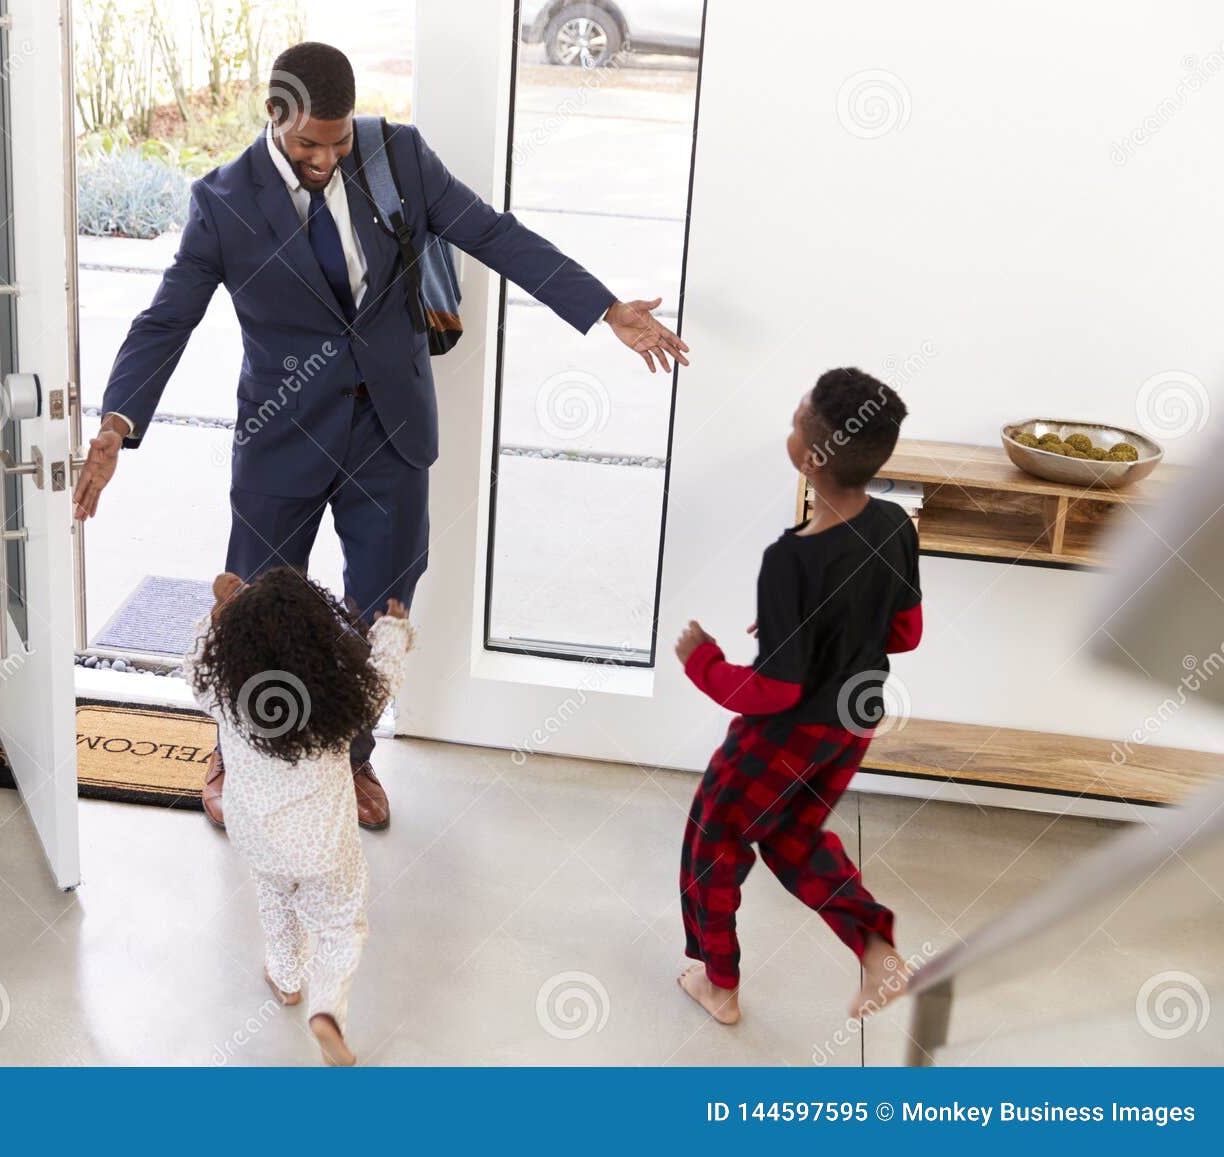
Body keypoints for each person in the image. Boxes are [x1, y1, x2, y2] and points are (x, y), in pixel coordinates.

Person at [72, 40, 688, 830]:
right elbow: (167, 319)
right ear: (274, 117)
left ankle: (352, 757)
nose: (327, 158)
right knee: (257, 609)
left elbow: (494, 235)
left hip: (389, 431)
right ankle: (237, 748)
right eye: (308, 144)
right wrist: (115, 426)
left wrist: (605, 309)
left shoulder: (398, 156)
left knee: (381, 608)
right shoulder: (222, 201)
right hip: (281, 434)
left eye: (338, 141)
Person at [671, 367, 922, 1026]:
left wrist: (704, 661)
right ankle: (876, 947)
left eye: (794, 421)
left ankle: (718, 982)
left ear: (808, 457)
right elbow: (906, 630)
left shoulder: (790, 559)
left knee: (714, 838)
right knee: (791, 833)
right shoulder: (898, 523)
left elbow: (772, 690)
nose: (788, 427)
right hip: (856, 719)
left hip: (789, 730)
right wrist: (807, 626)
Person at [182, 567, 414, 1066]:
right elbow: (386, 672)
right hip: (325, 847)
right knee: (340, 926)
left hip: (255, 834)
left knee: (275, 896)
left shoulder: (224, 698)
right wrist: (392, 631)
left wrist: (218, 613)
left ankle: (286, 979)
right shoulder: (344, 703)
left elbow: (194, 662)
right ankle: (326, 1011)